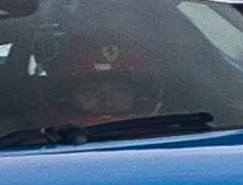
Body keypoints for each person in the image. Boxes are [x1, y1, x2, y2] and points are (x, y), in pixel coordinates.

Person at [38, 35, 169, 127]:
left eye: (120, 90)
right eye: (89, 91)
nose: (107, 101)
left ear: (139, 96)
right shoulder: (33, 145)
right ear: (65, 98)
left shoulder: (173, 135)